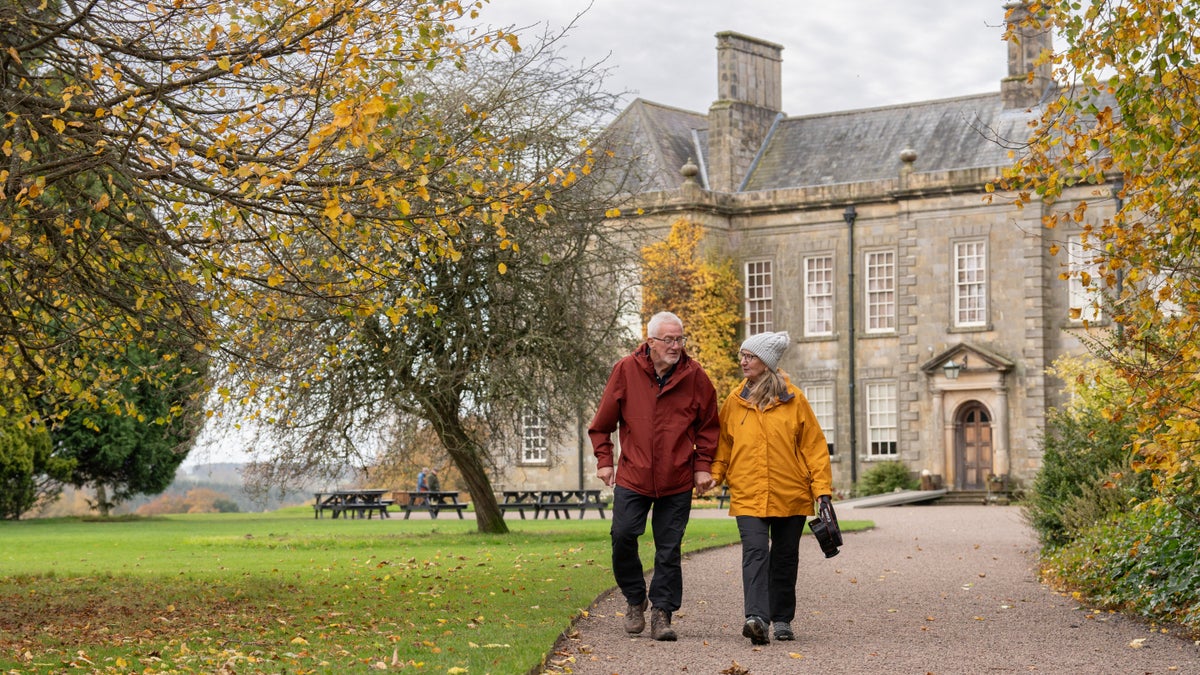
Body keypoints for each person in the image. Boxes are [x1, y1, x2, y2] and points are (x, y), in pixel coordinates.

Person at [588, 311, 719, 642]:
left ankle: (662, 613)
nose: (676, 346)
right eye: (669, 340)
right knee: (623, 536)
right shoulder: (625, 370)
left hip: (676, 478)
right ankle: (635, 598)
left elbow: (708, 427)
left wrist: (703, 465)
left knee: (668, 549)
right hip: (634, 474)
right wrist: (605, 460)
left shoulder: (696, 376)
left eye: (680, 339)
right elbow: (601, 424)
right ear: (651, 342)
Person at [710, 330, 834, 646]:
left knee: (784, 557)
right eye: (742, 355)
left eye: (749, 356)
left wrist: (822, 490)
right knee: (754, 554)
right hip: (748, 492)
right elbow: (723, 444)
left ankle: (781, 620)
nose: (743, 361)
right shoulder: (734, 402)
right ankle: (756, 618)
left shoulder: (794, 400)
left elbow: (815, 447)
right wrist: (715, 473)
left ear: (766, 362)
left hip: (790, 492)